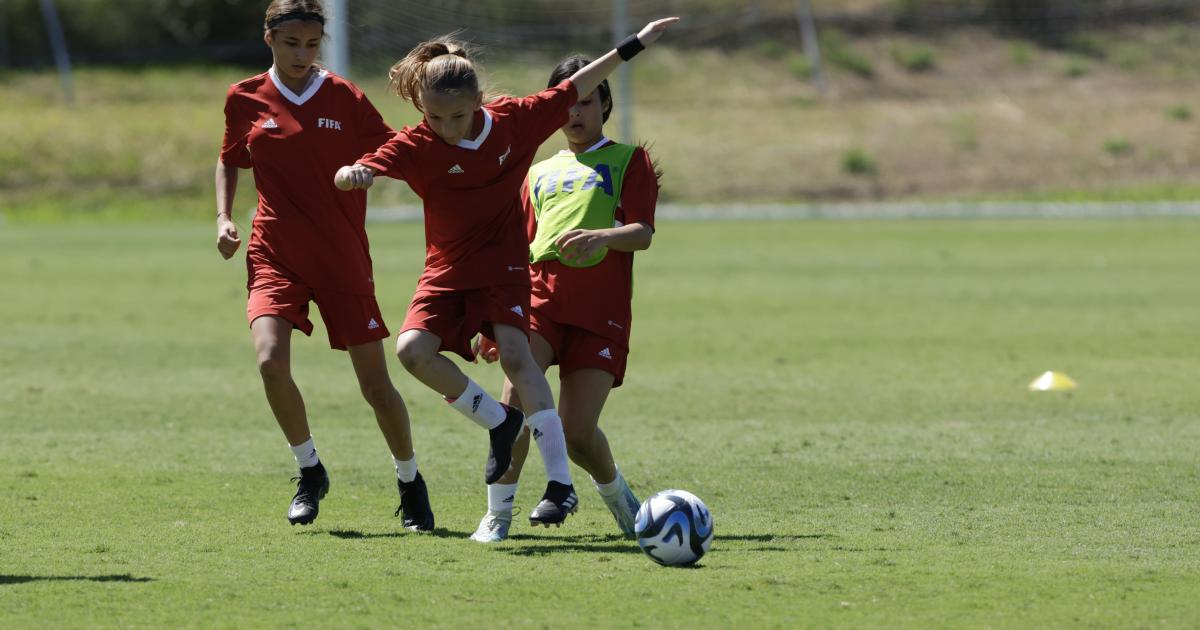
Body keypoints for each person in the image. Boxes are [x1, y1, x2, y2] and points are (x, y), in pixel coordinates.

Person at [335, 17, 678, 529]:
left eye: (457, 117)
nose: (447, 129)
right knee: (414, 352)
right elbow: (358, 167)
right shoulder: (419, 144)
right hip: (451, 271)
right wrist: (352, 173)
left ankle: (560, 485)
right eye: (435, 118)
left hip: (516, 276)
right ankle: (500, 442)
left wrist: (635, 44)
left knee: (536, 381)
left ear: (478, 102)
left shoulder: (518, 123)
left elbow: (575, 88)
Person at [215, 0, 433, 531]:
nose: (302, 54)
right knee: (270, 363)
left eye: (312, 44)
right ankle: (310, 471)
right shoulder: (244, 97)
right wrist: (223, 216)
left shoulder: (343, 95)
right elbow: (228, 158)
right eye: (292, 43)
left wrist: (369, 170)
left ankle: (409, 481)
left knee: (375, 386)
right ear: (269, 39)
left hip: (341, 255)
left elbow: (392, 150)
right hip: (275, 252)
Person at [466, 55, 661, 543]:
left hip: (600, 313)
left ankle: (618, 497)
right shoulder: (535, 173)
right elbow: (514, 249)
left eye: (587, 102)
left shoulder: (626, 160)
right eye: (568, 103)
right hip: (538, 304)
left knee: (576, 434)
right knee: (514, 409)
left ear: (605, 105)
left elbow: (642, 234)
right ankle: (498, 515)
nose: (575, 112)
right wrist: (491, 323)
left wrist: (602, 236)